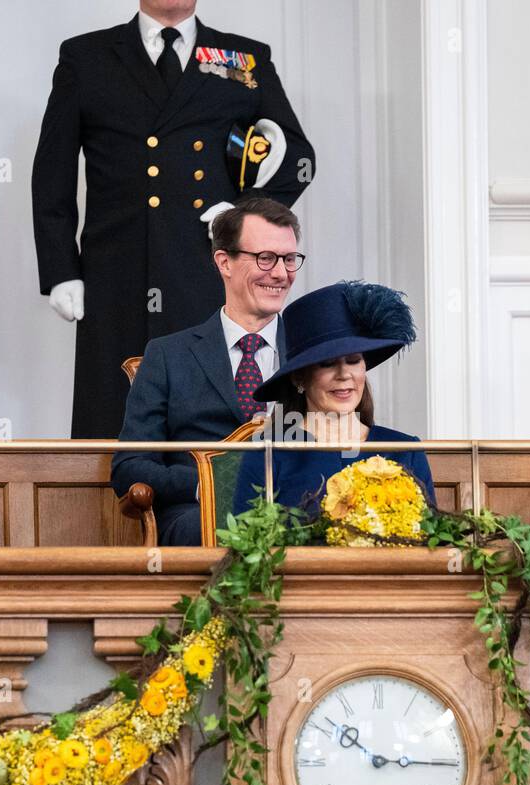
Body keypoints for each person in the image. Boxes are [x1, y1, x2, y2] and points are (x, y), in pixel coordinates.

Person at [32, 0, 315, 438]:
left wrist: (244, 211)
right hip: (117, 272)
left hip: (206, 267)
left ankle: (214, 498)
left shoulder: (244, 57)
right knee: (113, 417)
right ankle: (112, 506)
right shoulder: (86, 57)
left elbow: (299, 157)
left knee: (210, 407)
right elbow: (53, 172)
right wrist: (60, 270)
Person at [111, 197, 299, 545]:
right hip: (199, 516)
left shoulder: (312, 353)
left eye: (289, 259)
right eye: (265, 258)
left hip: (297, 511)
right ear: (224, 262)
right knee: (222, 528)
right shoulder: (168, 355)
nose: (280, 273)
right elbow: (129, 467)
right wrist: (206, 485)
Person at [231, 281, 433, 520]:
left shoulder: (404, 450)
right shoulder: (269, 453)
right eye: (327, 364)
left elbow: (428, 548)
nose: (344, 374)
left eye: (353, 360)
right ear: (299, 378)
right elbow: (246, 547)